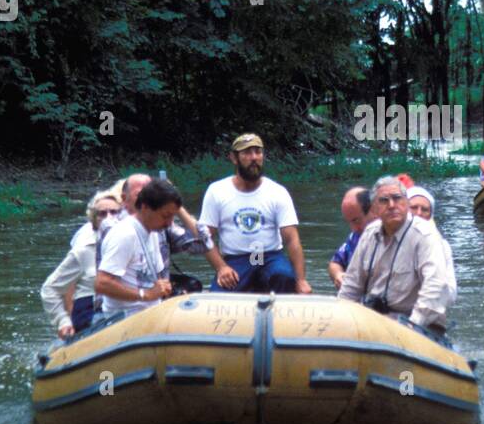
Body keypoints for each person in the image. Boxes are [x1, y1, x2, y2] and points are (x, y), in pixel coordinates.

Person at [337, 176, 451, 338]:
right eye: (384, 200)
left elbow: (435, 289)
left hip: (418, 322)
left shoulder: (425, 236)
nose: (391, 205)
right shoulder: (369, 234)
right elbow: (351, 286)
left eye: (397, 198)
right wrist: (341, 319)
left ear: (406, 202)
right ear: (374, 209)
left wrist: (410, 327)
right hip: (375, 318)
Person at [200, 133, 312, 294]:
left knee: (285, 276)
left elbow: (292, 239)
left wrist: (301, 280)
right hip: (236, 259)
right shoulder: (217, 191)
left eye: (258, 152)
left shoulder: (277, 192)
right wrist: (221, 268)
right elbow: (205, 237)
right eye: (246, 153)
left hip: (270, 256)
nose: (254, 157)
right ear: (234, 158)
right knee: (219, 295)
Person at [94, 178, 184, 318]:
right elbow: (102, 283)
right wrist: (145, 295)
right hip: (124, 318)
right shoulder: (125, 235)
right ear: (145, 207)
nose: (169, 223)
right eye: (165, 216)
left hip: (149, 313)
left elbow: (152, 282)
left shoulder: (153, 232)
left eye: (172, 217)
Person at [40, 189, 122, 339]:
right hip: (89, 312)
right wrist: (63, 321)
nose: (109, 218)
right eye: (102, 214)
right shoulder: (83, 250)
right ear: (94, 220)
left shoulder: (135, 242)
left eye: (114, 212)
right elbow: (50, 289)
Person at [406, 185, 458, 307]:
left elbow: (451, 294)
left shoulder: (441, 245)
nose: (418, 213)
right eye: (413, 208)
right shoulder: (389, 239)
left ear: (430, 215)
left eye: (424, 210)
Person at [329, 186, 372, 291]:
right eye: (349, 222)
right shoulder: (355, 237)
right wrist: (338, 275)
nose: (353, 228)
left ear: (373, 211)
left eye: (356, 221)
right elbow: (335, 263)